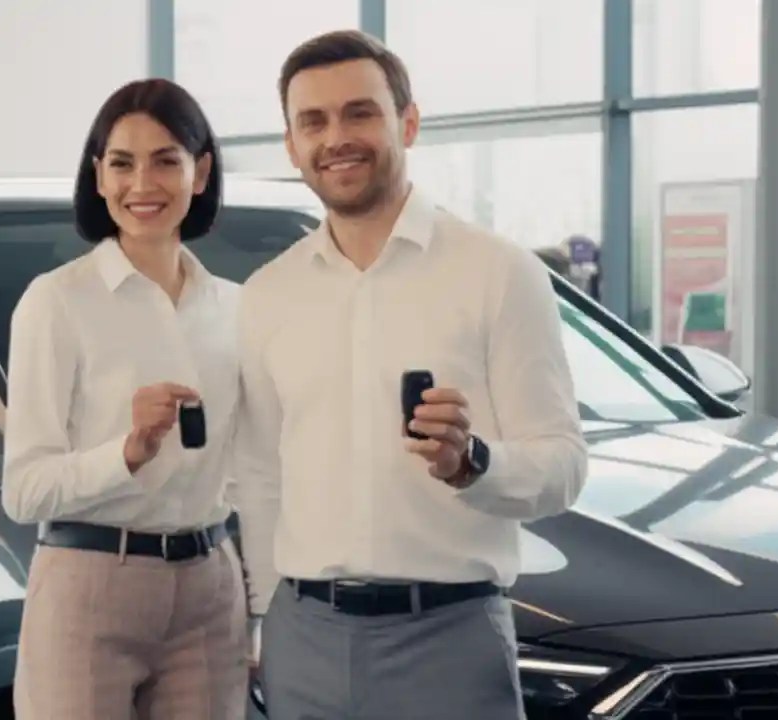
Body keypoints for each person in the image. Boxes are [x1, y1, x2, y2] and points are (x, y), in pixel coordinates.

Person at [231, 30, 589, 719]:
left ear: (408, 122)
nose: (337, 137)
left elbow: (564, 466)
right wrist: (265, 613)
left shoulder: (497, 272)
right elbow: (260, 474)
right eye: (314, 120)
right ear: (292, 145)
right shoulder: (268, 295)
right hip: (303, 639)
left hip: (449, 641)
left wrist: (473, 463)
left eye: (360, 112)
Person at [1, 78, 248, 720]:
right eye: (123, 163)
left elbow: (258, 472)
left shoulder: (237, 309)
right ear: (99, 177)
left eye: (167, 160)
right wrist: (127, 452)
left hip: (209, 587)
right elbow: (23, 491)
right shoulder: (57, 302)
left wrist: (264, 601)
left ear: (201, 174)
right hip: (90, 580)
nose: (144, 183)